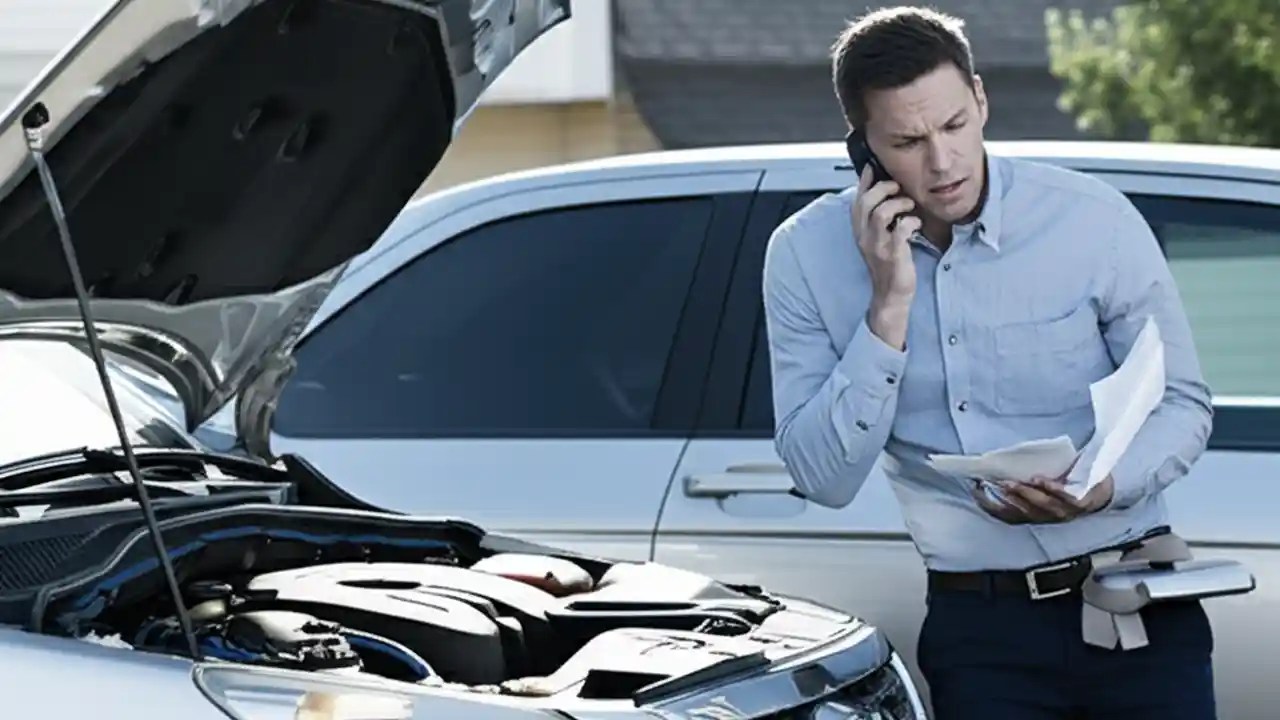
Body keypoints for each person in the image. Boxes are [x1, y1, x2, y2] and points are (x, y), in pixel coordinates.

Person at [761, 6, 1216, 719]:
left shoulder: (1093, 221)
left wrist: (1104, 487)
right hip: (982, 631)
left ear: (980, 99)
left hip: (1137, 605)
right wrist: (887, 306)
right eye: (908, 141)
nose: (941, 163)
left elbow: (1183, 399)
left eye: (952, 126)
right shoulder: (802, 257)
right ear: (864, 149)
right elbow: (823, 477)